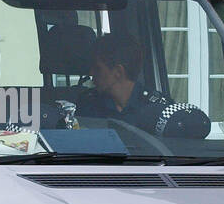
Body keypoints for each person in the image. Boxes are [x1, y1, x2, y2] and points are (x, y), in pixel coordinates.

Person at [81, 33, 211, 139]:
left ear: (118, 72)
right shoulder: (87, 105)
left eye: (97, 68)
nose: (91, 73)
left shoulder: (159, 109)